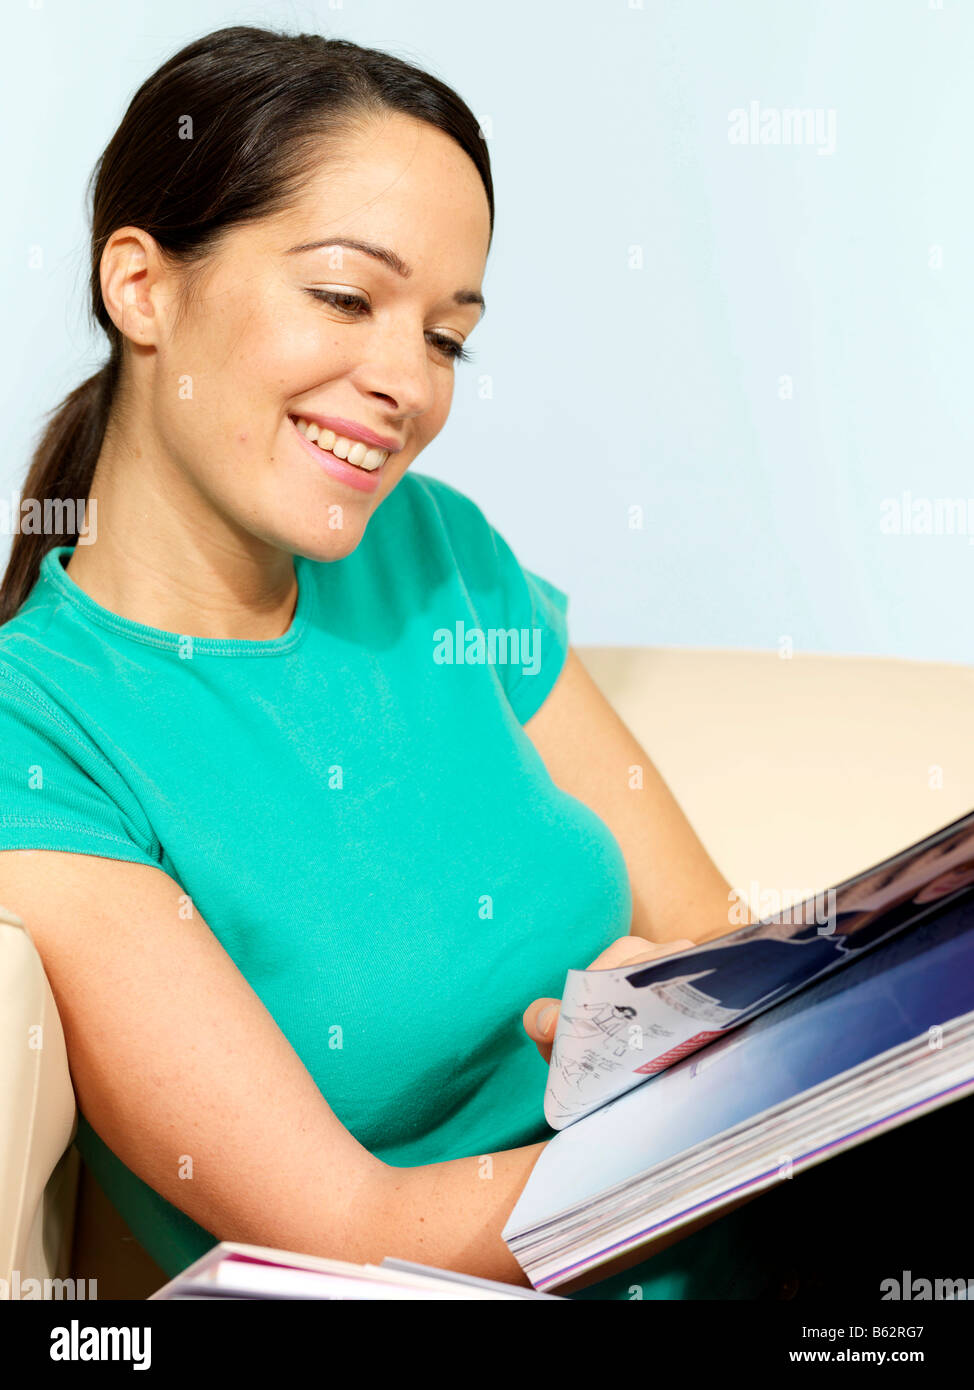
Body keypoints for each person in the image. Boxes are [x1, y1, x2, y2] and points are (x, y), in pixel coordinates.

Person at [0, 25, 770, 1299]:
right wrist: (716, 1119)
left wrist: (684, 1019)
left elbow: (707, 929)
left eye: (447, 336)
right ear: (141, 287)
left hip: (734, 1239)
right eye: (348, 297)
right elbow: (337, 1223)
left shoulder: (437, 547)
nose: (407, 384)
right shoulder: (40, 728)